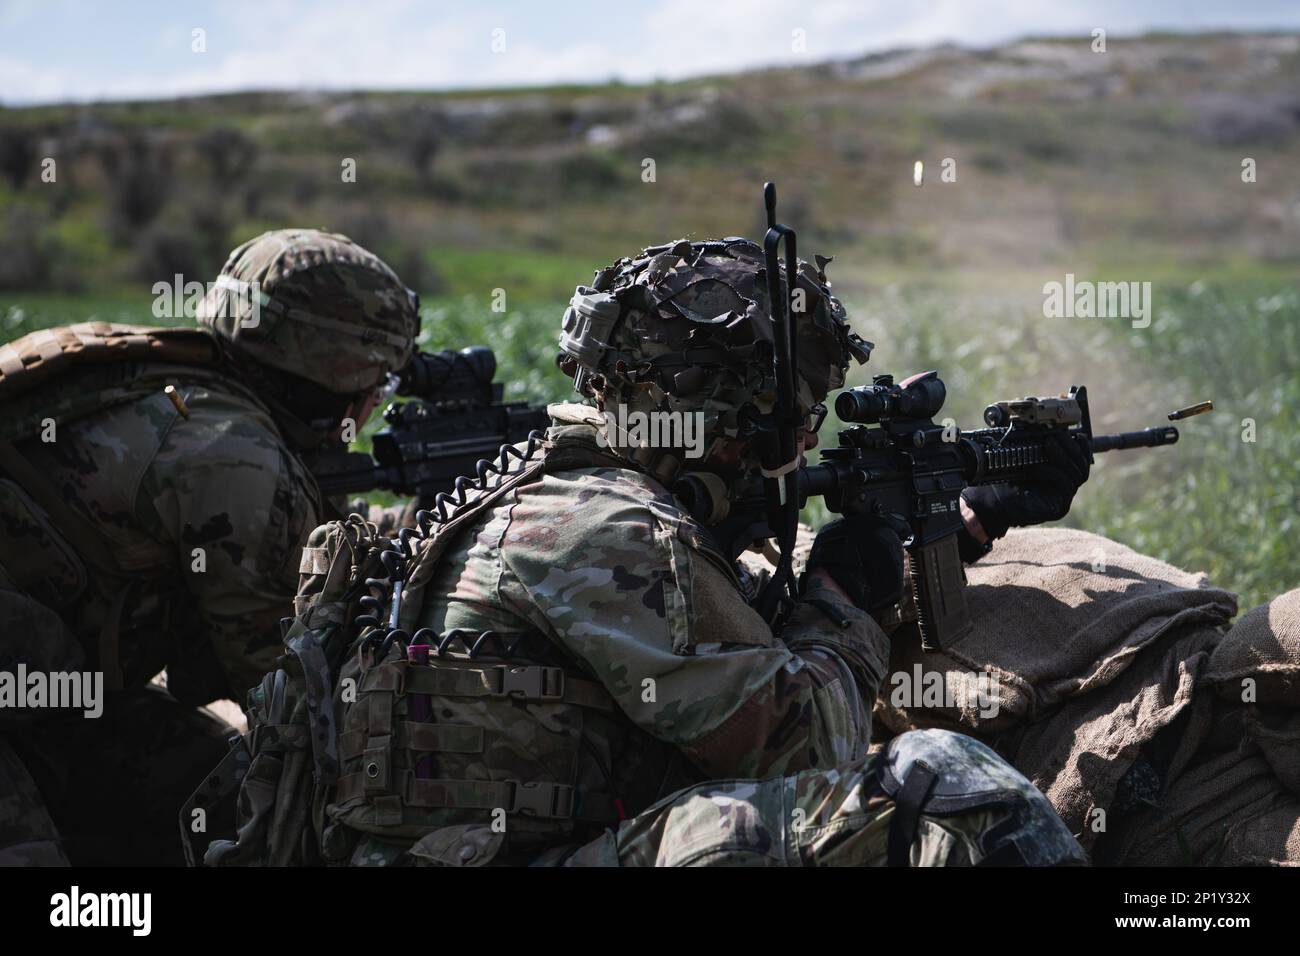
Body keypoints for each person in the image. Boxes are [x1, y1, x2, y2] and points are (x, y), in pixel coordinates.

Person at [321, 237, 1089, 867]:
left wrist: (964, 520)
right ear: (720, 418)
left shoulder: (566, 486)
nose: (803, 443)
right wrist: (842, 598)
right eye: (794, 415)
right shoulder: (611, 533)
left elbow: (727, 630)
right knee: (945, 789)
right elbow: (809, 749)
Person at [0, 229, 420, 865]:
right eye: (378, 389)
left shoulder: (166, 379)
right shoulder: (237, 461)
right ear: (346, 379)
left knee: (204, 772)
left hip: (40, 686)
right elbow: (287, 690)